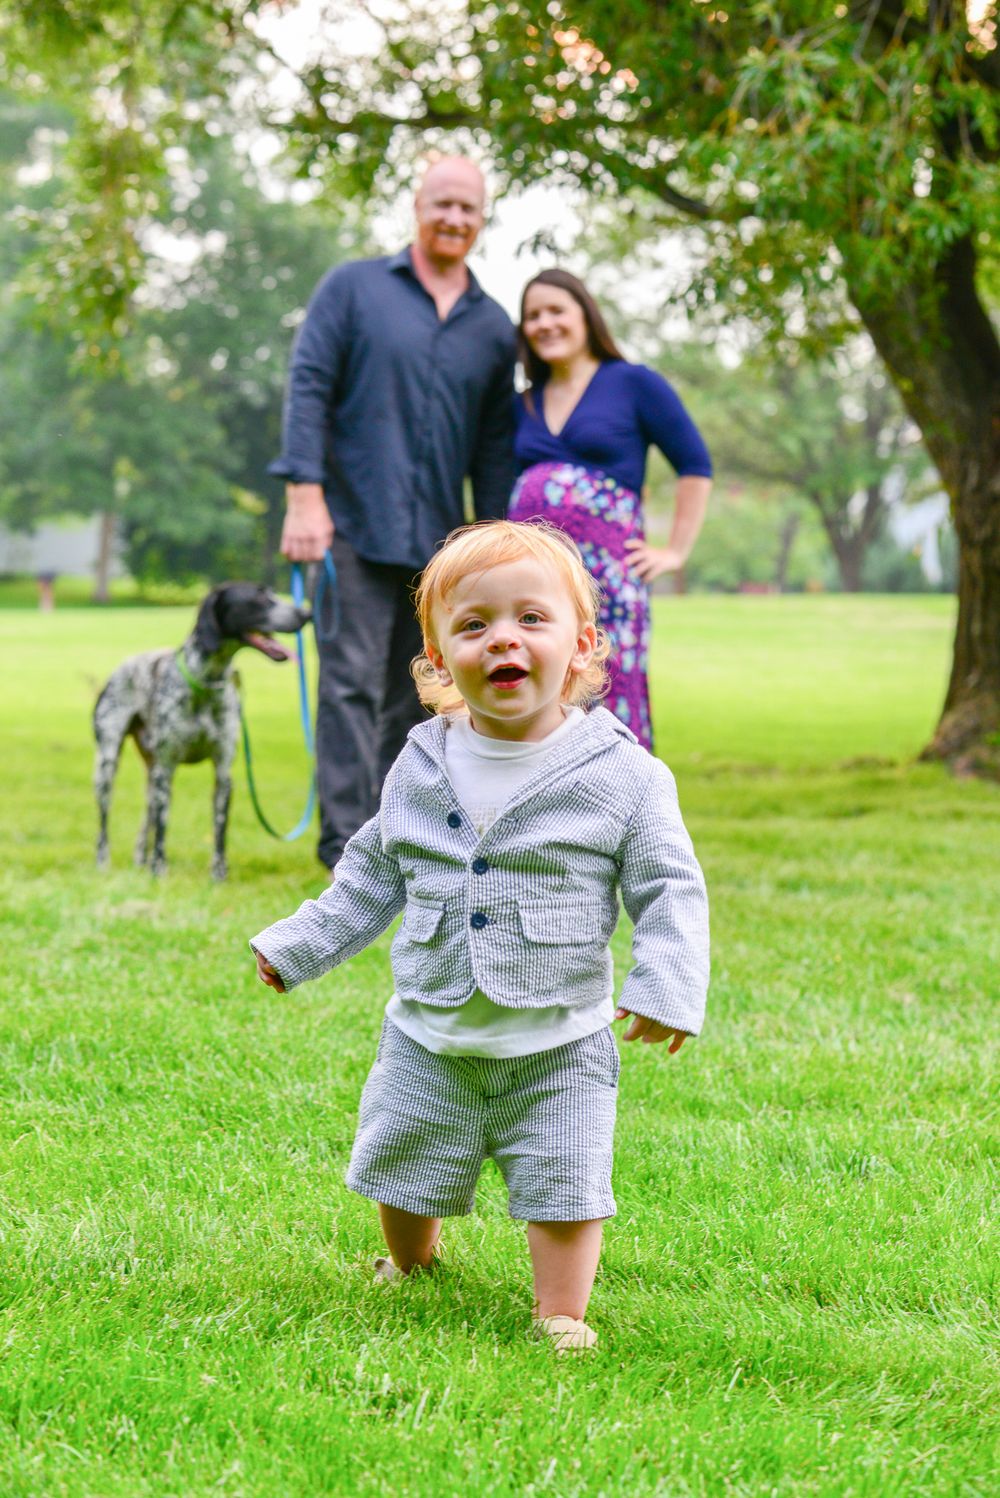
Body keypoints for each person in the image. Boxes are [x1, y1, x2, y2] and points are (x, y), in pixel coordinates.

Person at [250, 520, 709, 1354]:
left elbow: (668, 887)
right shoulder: (422, 762)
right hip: (430, 1028)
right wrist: (298, 944)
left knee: (565, 1181)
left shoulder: (625, 775)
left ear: (581, 644)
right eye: (474, 625)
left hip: (560, 1039)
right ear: (438, 658)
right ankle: (410, 1263)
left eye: (531, 618)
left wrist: (667, 988)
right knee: (404, 1159)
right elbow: (373, 869)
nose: (503, 638)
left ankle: (561, 1311)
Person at [269, 157, 517, 871]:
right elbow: (309, 385)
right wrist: (304, 495)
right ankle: (344, 847)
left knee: (422, 692)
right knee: (347, 684)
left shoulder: (493, 326)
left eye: (468, 208)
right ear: (417, 205)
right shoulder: (353, 288)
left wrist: (491, 545)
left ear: (481, 218)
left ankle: (397, 837)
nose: (454, 219)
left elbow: (494, 445)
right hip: (349, 524)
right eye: (443, 203)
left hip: (440, 546)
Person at [509, 268, 713, 752]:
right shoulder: (523, 402)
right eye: (533, 316)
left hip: (610, 586)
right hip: (532, 584)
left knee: (609, 700)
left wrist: (675, 551)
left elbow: (695, 464)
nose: (545, 323)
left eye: (556, 310)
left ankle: (621, 800)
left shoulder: (633, 383)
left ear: (585, 315)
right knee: (538, 698)